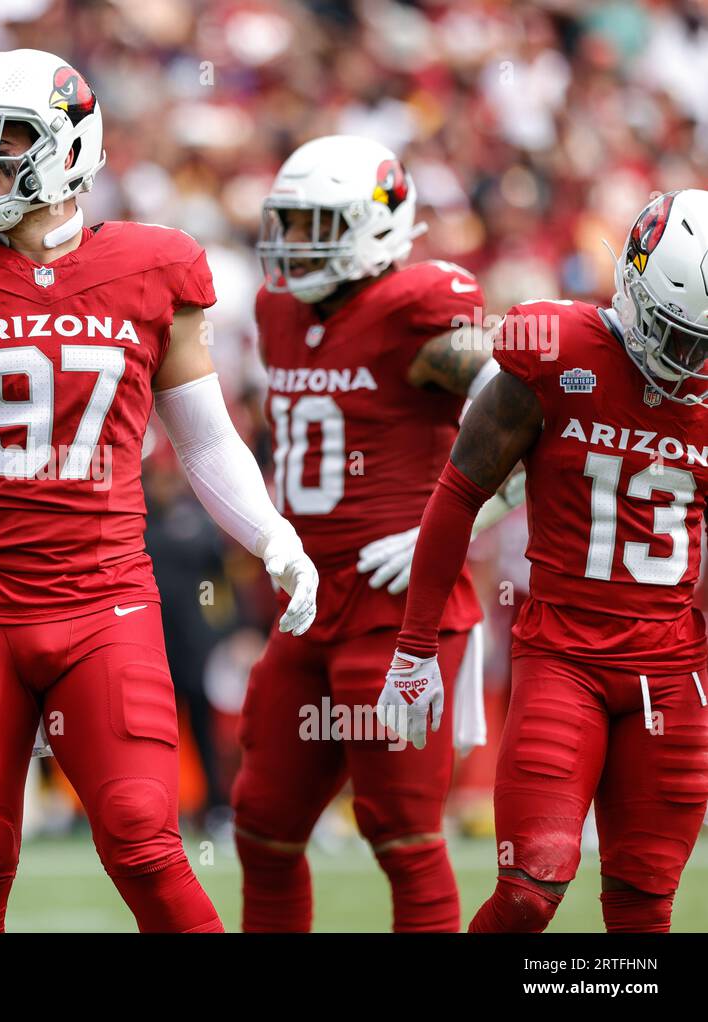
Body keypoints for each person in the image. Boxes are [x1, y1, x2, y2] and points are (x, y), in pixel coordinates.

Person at [0, 49, 317, 932]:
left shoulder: (155, 265)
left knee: (144, 837)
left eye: (1, 141)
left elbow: (203, 434)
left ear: (71, 145)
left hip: (104, 599)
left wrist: (271, 534)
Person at [385, 189, 708, 932]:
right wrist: (414, 649)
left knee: (644, 905)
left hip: (668, 669)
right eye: (674, 334)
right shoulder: (554, 347)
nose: (687, 361)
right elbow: (460, 491)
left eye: (703, 343)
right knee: (530, 890)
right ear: (633, 287)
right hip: (563, 655)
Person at [230, 135, 526, 932]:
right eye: (288, 224)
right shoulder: (276, 310)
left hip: (398, 612)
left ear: (376, 227)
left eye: (316, 224)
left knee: (401, 834)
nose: (294, 245)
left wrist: (462, 518)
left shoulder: (416, 309)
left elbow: (524, 410)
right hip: (309, 608)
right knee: (261, 826)